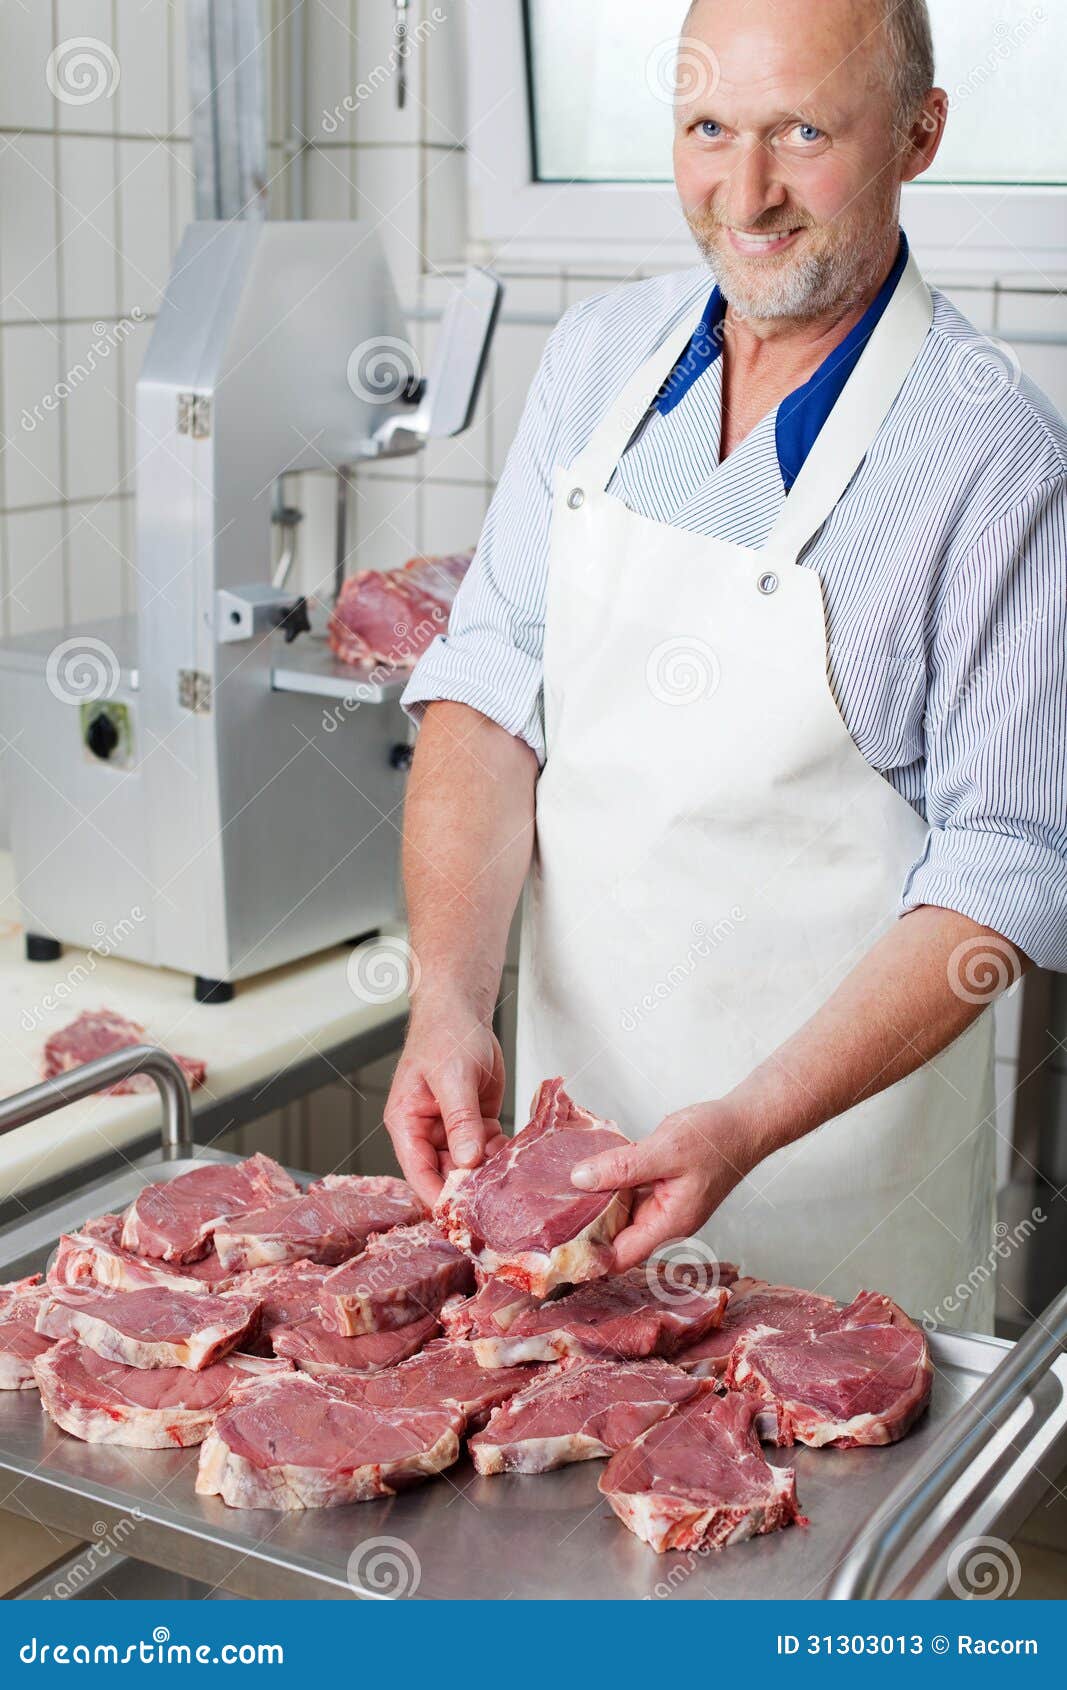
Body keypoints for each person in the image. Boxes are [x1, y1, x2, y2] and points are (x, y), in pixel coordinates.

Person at [385, 0, 1067, 1331]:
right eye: (709, 128)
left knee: (810, 1526)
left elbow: (1010, 863)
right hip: (569, 1176)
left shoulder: (1000, 462)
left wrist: (747, 1123)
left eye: (804, 132)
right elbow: (488, 693)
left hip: (832, 1208)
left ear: (920, 135)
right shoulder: (594, 366)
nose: (745, 193)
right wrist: (448, 1000)